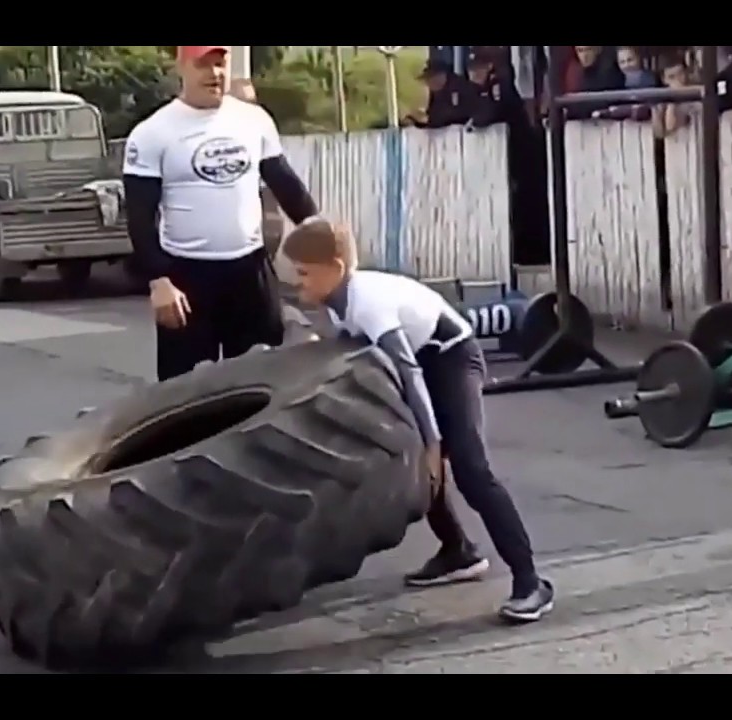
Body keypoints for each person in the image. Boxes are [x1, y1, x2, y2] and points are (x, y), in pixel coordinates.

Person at [279, 217, 556, 624]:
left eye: (304, 274)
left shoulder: (367, 301)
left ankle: (531, 583)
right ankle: (458, 551)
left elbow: (409, 370)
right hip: (418, 356)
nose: (297, 283)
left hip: (453, 356)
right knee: (413, 463)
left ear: (335, 269)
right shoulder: (335, 302)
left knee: (470, 469)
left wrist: (433, 443)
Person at [122, 45, 321, 382]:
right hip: (186, 277)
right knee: (182, 394)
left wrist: (322, 240)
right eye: (204, 65)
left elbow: (286, 185)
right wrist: (159, 280)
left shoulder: (253, 120)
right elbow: (140, 215)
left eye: (220, 64)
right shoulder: (152, 132)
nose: (214, 74)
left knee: (263, 382)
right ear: (181, 66)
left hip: (250, 270)